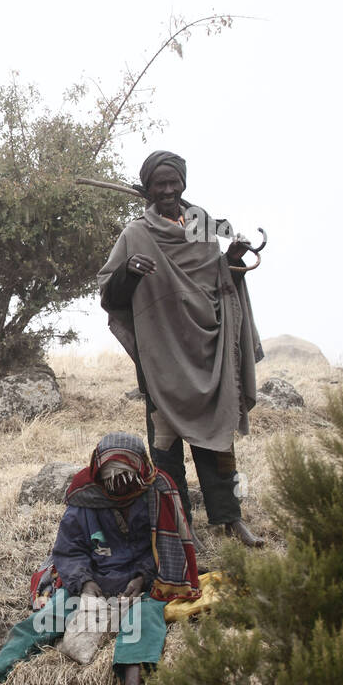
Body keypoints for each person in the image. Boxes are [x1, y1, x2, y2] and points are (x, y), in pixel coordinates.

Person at [0, 432, 200, 685]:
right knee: (45, 620)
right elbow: (68, 551)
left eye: (127, 479)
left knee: (144, 619)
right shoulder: (85, 498)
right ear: (98, 473)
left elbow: (163, 550)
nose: (119, 487)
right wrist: (84, 583)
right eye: (112, 479)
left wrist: (142, 577)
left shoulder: (157, 492)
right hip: (92, 580)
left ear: (141, 470)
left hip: (138, 585)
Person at [97, 150, 266, 547]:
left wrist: (232, 260)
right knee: (167, 449)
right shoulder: (135, 233)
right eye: (161, 183)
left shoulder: (201, 226)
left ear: (184, 183)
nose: (169, 189)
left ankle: (230, 518)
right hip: (162, 356)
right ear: (149, 188)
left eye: (175, 182)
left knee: (217, 439)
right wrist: (129, 272)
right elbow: (109, 291)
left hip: (206, 350)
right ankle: (179, 526)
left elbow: (216, 279)